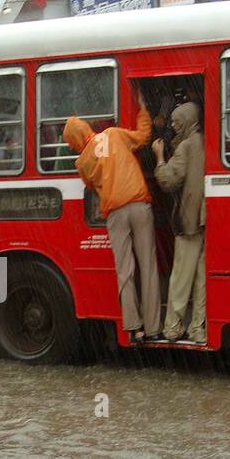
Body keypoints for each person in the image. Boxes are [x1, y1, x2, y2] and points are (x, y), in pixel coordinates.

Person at [65, 94, 161, 342]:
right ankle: (153, 327)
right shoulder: (114, 134)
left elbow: (93, 186)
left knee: (125, 270)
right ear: (87, 127)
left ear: (73, 142)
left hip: (115, 212)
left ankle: (134, 326)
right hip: (139, 204)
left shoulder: (81, 162)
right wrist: (142, 109)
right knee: (148, 266)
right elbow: (142, 137)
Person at [153, 101, 206, 344]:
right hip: (205, 219)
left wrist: (160, 157)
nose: (173, 126)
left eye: (177, 121)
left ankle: (173, 328)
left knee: (181, 279)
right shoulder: (204, 141)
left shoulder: (186, 146)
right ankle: (198, 329)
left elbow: (167, 180)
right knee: (201, 280)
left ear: (187, 121)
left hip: (188, 221)